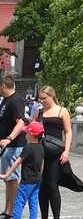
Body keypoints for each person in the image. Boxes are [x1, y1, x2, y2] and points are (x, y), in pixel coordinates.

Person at [38, 85, 72, 219]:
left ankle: (56, 217)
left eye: (44, 98)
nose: (41, 101)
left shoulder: (62, 111)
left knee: (52, 185)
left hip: (56, 153)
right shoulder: (40, 112)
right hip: (42, 152)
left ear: (51, 96)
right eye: (40, 98)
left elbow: (68, 132)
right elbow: (33, 127)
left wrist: (66, 151)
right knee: (42, 187)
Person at [0, 120, 44, 219]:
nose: (25, 135)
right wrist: (40, 177)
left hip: (26, 181)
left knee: (19, 202)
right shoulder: (41, 148)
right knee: (33, 203)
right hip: (37, 181)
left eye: (26, 133)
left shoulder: (28, 148)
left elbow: (17, 162)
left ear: (31, 135)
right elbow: (42, 164)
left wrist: (6, 174)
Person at [0, 76, 27, 219]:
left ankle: (11, 212)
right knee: (8, 179)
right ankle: (7, 210)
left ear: (3, 86)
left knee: (12, 179)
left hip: (14, 146)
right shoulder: (6, 100)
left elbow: (21, 122)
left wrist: (9, 138)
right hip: (7, 146)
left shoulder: (16, 100)